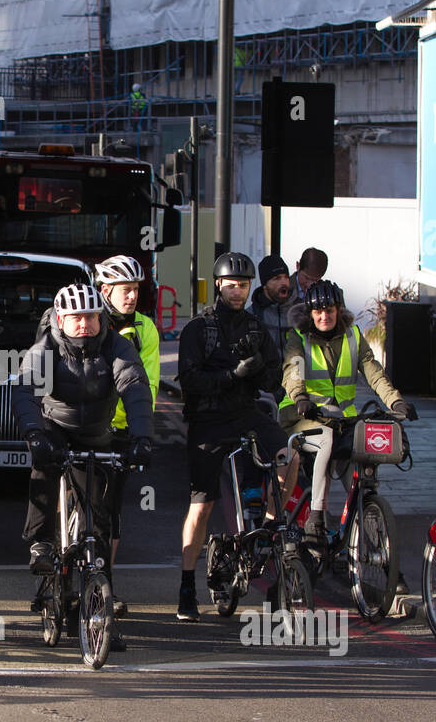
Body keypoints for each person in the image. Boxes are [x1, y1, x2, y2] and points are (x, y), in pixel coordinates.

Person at [14, 283, 153, 651]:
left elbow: (135, 386)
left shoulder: (116, 346)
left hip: (95, 434)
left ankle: (100, 617)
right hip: (54, 428)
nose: (84, 325)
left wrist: (142, 438)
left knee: (100, 523)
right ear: (61, 319)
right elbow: (25, 390)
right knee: (43, 468)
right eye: (75, 318)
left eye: (90, 317)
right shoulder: (47, 347)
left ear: (100, 318)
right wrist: (32, 433)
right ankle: (41, 542)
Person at [176, 251, 290, 621]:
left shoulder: (256, 328)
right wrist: (232, 375)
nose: (238, 291)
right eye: (231, 285)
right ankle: (187, 584)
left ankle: (266, 533)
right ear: (219, 285)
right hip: (208, 420)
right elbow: (190, 382)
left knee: (290, 456)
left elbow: (274, 381)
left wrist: (259, 371)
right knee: (202, 503)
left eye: (244, 285)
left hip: (244, 414)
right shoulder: (199, 328)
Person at [279, 280, 416, 541]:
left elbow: (373, 370)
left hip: (341, 419)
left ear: (338, 309)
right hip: (301, 417)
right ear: (309, 313)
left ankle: (378, 546)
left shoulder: (353, 334)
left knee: (361, 465)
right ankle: (316, 517)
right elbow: (292, 370)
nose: (323, 316)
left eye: (329, 310)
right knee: (326, 441)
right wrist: (300, 398)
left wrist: (395, 402)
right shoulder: (298, 337)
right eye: (317, 311)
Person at [94, 255, 160, 615]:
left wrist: (140, 433)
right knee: (71, 489)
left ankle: (104, 584)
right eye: (125, 290)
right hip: (85, 424)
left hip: (119, 430)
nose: (132, 296)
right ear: (105, 291)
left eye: (135, 290)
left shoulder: (146, 329)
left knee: (110, 512)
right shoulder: (89, 321)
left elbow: (145, 383)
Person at [250, 253, 294, 363]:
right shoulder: (251, 316)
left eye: (286, 277)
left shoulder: (300, 312)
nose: (284, 282)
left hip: (295, 378)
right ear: (265, 285)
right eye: (277, 278)